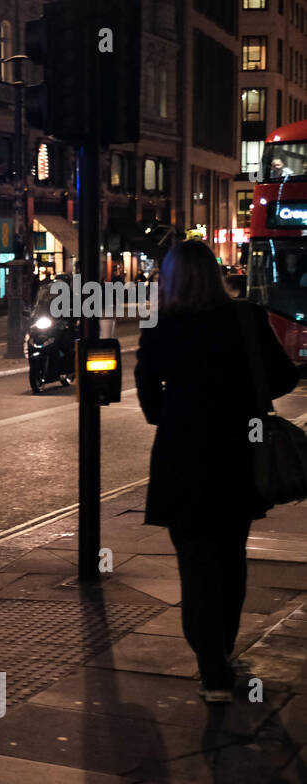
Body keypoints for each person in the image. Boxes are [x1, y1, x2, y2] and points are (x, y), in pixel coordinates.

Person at [135, 240, 299, 703]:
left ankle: (211, 669)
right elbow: (285, 378)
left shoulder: (161, 323)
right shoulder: (245, 318)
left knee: (195, 566)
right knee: (230, 558)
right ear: (215, 274)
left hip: (181, 456)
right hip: (237, 451)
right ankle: (221, 652)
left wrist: (177, 410)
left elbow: (148, 396)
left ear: (169, 279)